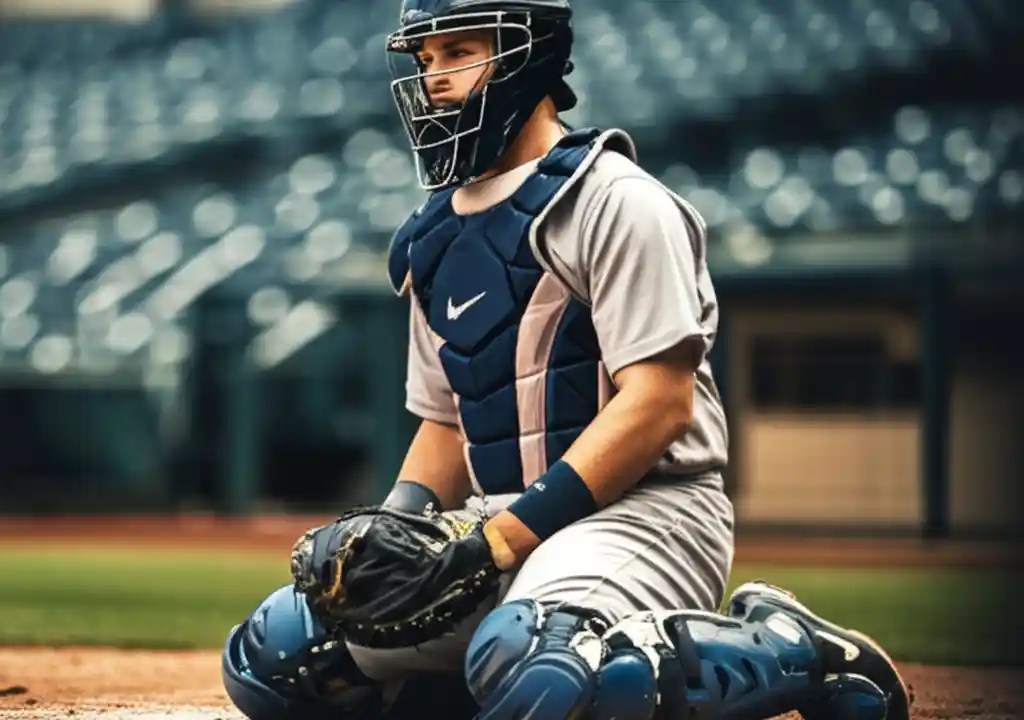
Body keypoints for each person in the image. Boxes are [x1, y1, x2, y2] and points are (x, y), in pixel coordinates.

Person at [222, 1, 911, 718]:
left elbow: (658, 403)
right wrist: (395, 531)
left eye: (459, 52)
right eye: (426, 61)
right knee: (285, 657)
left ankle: (793, 645)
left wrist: (495, 544)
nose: (435, 80)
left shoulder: (618, 200)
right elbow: (445, 425)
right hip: (501, 521)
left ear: (532, 55)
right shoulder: (430, 239)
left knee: (545, 667)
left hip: (649, 514)